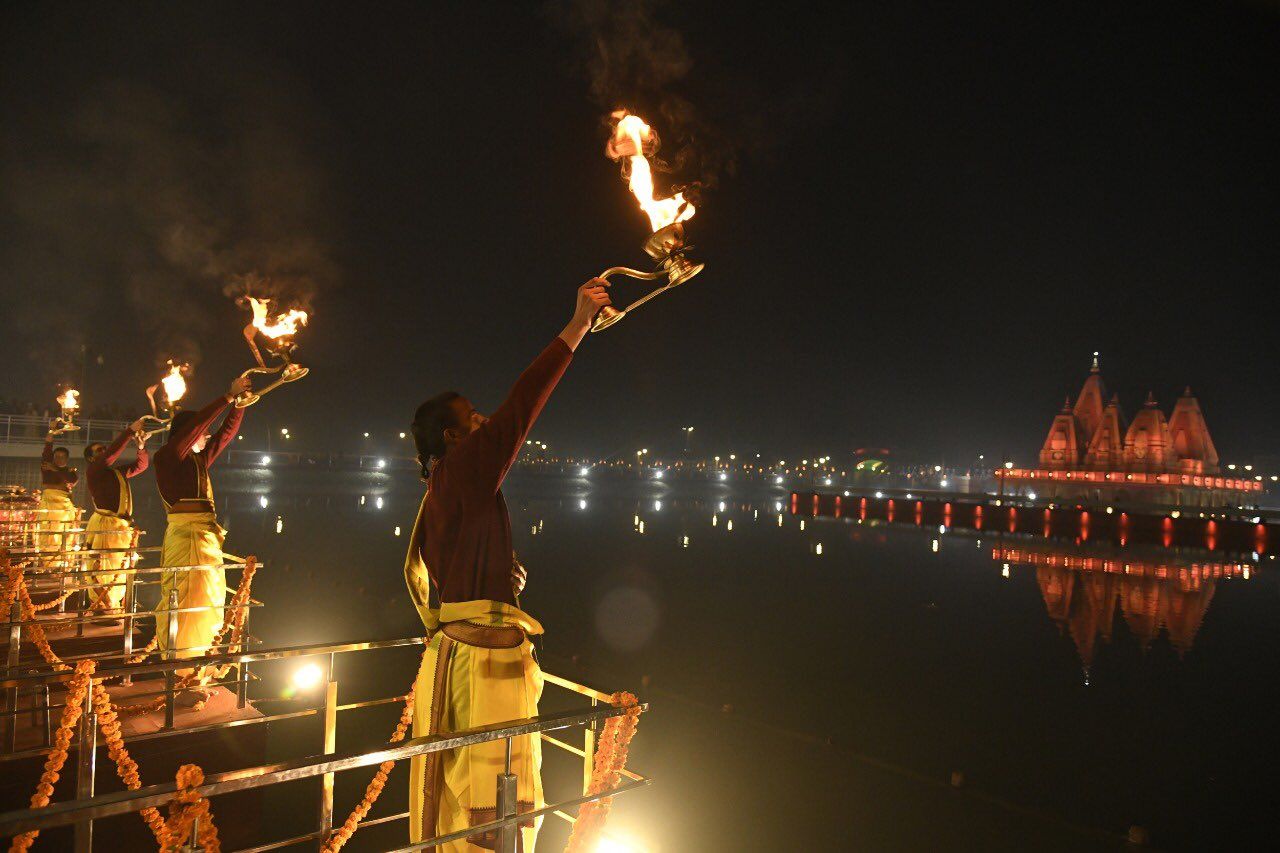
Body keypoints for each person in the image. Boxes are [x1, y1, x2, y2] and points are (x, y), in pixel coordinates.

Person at [404, 279, 611, 850]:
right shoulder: (465, 469)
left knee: (466, 796)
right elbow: (524, 403)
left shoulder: (447, 488)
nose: (485, 421)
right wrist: (577, 326)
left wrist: (502, 580)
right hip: (481, 668)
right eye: (473, 419)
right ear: (453, 437)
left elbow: (457, 571)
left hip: (466, 653)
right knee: (491, 800)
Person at [152, 376, 251, 688]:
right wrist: (225, 397)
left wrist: (239, 406)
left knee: (209, 601)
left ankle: (201, 673)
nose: (207, 435)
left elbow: (224, 436)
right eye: (200, 431)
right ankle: (183, 672)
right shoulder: (167, 456)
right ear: (186, 433)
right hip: (186, 539)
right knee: (186, 603)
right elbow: (198, 429)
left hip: (206, 540)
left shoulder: (197, 460)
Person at [83, 420, 149, 612]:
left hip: (121, 526)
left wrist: (141, 447)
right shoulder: (94, 470)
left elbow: (141, 465)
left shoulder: (117, 472)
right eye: (99, 451)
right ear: (91, 458)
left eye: (104, 449)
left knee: (119, 566)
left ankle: (114, 603)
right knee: (104, 566)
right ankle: (102, 606)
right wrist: (129, 431)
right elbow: (110, 456)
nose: (103, 452)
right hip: (105, 525)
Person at [37, 425, 80, 565]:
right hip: (48, 504)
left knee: (62, 532)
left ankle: (61, 561)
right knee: (46, 531)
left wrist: (54, 469)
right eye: (56, 456)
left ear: (67, 459)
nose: (58, 459)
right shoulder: (47, 467)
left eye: (62, 457)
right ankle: (46, 561)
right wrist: (51, 430)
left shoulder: (70, 472)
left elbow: (71, 480)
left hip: (63, 507)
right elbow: (47, 447)